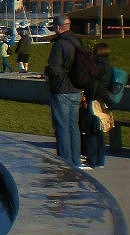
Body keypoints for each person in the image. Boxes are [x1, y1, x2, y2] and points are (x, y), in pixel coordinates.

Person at [44, 14, 83, 169]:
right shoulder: (77, 42)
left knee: (62, 127)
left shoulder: (60, 44)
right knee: (74, 127)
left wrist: (48, 72)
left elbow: (54, 68)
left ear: (58, 27)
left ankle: (65, 162)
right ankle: (76, 161)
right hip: (76, 89)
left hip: (62, 90)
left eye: (54, 27)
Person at [80, 43, 115, 170]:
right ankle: (100, 160)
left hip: (94, 100)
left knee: (92, 130)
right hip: (103, 101)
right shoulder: (108, 67)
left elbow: (93, 85)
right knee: (100, 132)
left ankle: (91, 160)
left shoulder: (97, 68)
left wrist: (87, 97)